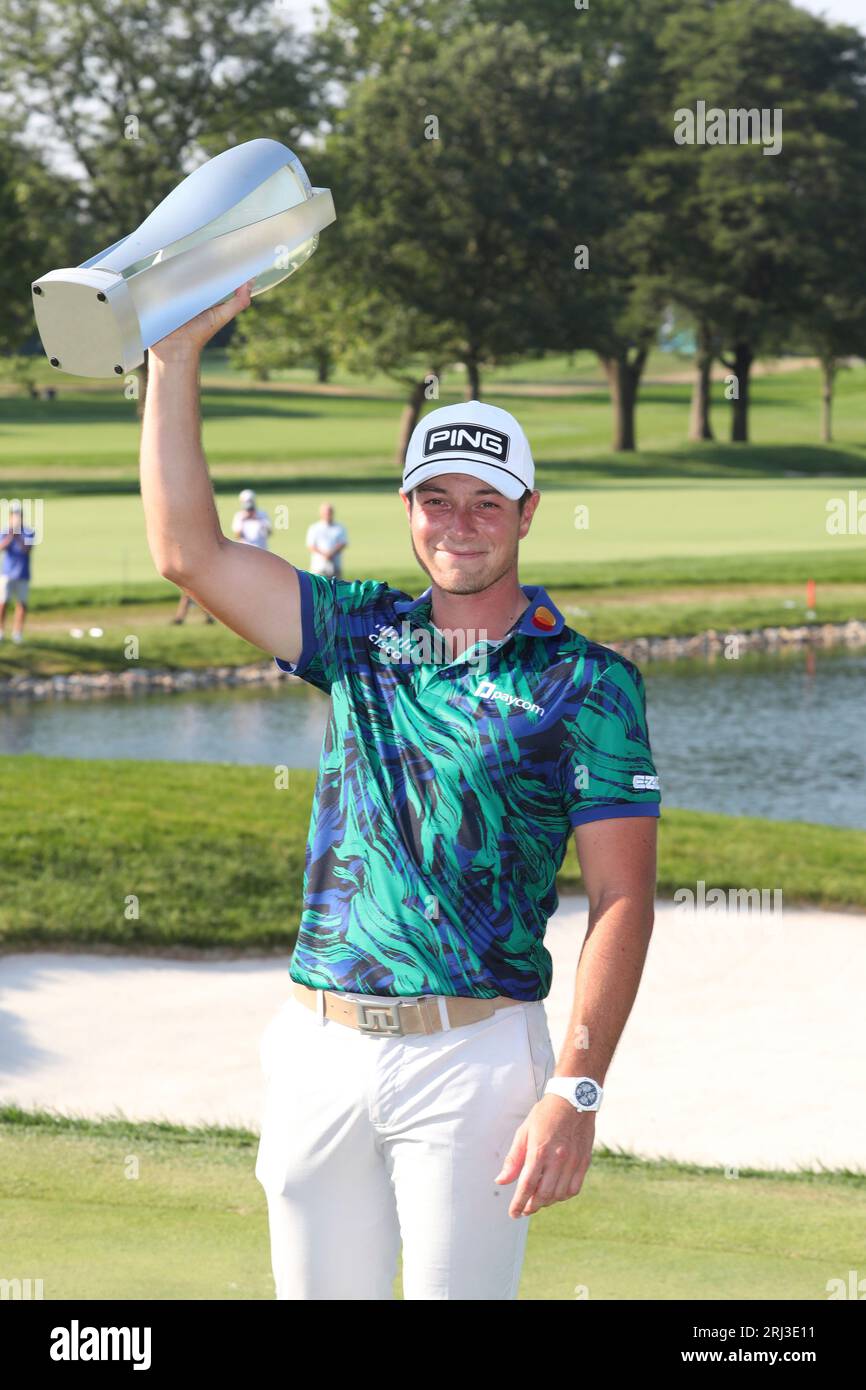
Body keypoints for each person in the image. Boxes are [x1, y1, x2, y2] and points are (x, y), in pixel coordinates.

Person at [139, 283, 661, 1301]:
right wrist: (172, 360)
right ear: (408, 508)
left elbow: (621, 901)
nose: (458, 525)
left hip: (474, 1057)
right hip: (319, 1048)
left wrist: (578, 1086)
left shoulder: (588, 684)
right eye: (436, 499)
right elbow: (187, 553)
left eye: (485, 502)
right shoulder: (358, 634)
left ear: (527, 511)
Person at [0, 502, 36, 644]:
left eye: (18, 515)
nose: (16, 518)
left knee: (22, 603)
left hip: (23, 573)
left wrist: (18, 536)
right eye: (14, 515)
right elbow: (1, 547)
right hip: (7, 573)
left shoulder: (28, 532)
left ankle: (17, 633)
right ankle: (1, 631)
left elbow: (27, 550)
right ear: (10, 517)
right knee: (3, 602)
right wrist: (11, 535)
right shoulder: (5, 531)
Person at [305, 502, 348, 578]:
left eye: (329, 513)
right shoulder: (314, 528)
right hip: (318, 567)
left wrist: (332, 553)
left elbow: (343, 543)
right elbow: (311, 546)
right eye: (325, 513)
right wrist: (324, 554)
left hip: (335, 566)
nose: (327, 515)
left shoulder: (339, 527)